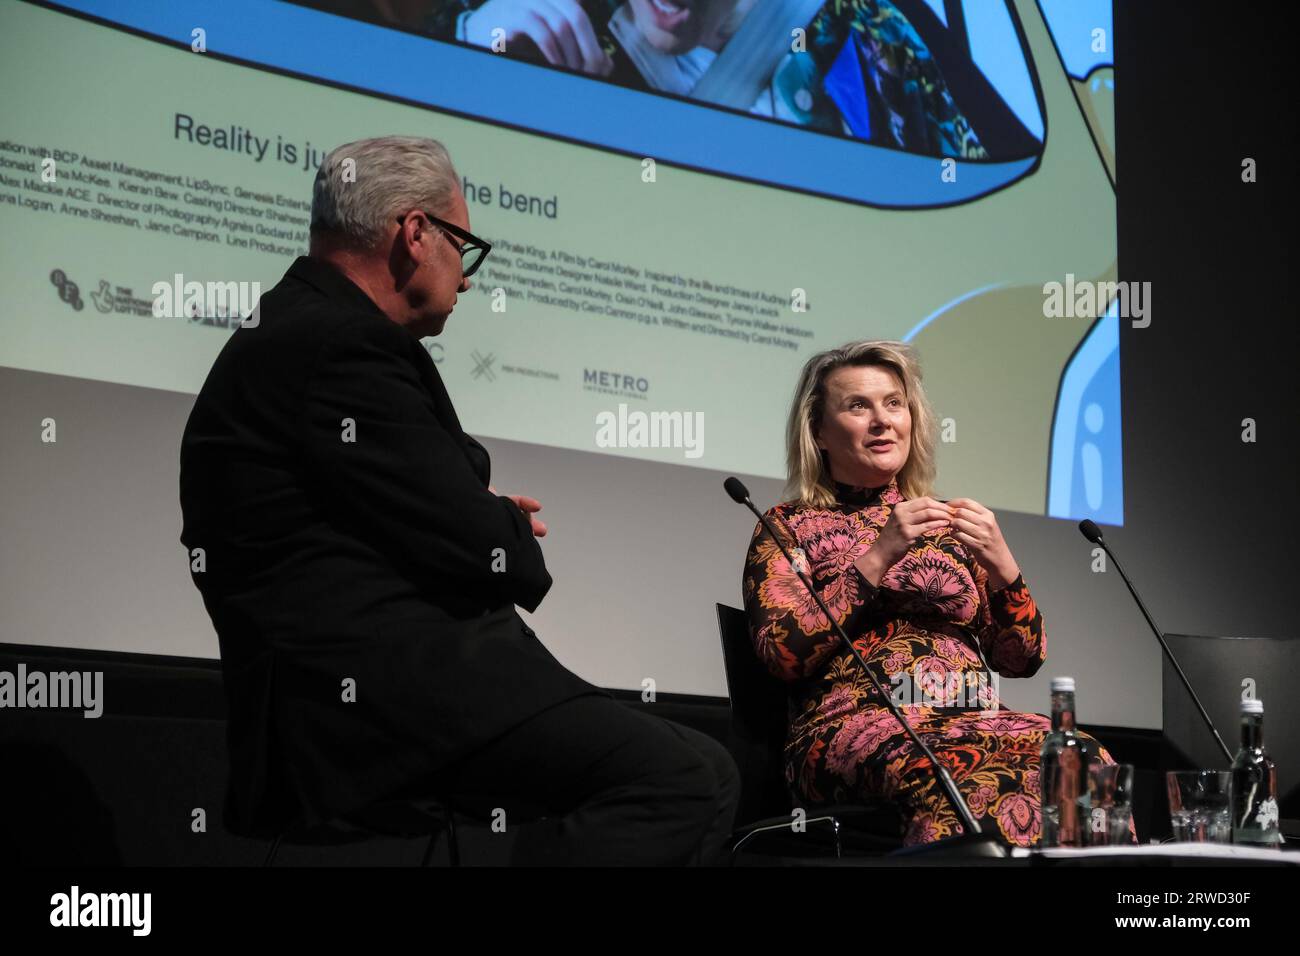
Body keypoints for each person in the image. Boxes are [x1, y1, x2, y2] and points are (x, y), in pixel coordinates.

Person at [179, 135, 738, 865]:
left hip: (353, 693)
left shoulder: (289, 329)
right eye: (463, 247)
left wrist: (471, 504)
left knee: (691, 767)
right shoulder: (343, 344)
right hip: (385, 697)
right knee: (685, 778)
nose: (468, 281)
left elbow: (412, 508)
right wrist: (497, 517)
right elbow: (499, 557)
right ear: (415, 233)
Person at [741, 340, 1135, 847]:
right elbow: (782, 654)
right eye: (858, 406)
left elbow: (1020, 659)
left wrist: (1002, 565)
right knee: (954, 774)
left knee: (1082, 760)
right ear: (818, 431)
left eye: (893, 403)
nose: (882, 420)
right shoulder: (787, 526)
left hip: (973, 717)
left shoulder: (949, 526)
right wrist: (879, 556)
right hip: (850, 728)